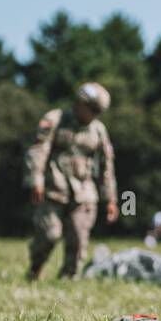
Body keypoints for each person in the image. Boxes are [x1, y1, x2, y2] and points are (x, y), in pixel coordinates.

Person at [24, 82, 119, 280]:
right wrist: (36, 180)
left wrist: (110, 198)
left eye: (98, 111)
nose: (94, 115)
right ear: (80, 103)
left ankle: (68, 280)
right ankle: (35, 270)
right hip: (53, 188)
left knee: (78, 239)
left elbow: (106, 166)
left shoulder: (98, 130)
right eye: (91, 109)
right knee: (49, 235)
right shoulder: (55, 119)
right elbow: (38, 151)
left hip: (84, 193)